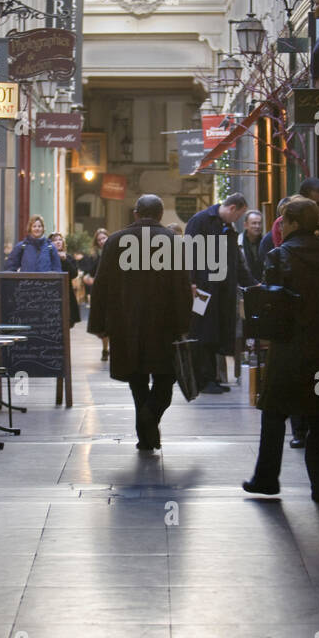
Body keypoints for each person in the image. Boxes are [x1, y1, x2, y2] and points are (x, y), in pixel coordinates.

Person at [243, 196, 319, 502]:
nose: (280, 225)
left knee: (273, 413)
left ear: (295, 223)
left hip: (287, 349)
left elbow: (272, 307)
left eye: (284, 220)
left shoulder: (277, 256)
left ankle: (267, 478)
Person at [87, 195, 192, 451]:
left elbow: (100, 286)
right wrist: (185, 323)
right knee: (165, 380)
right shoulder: (172, 242)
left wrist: (99, 323)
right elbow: (181, 287)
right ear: (160, 215)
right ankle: (148, 424)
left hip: (125, 323)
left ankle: (145, 431)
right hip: (163, 325)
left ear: (136, 213)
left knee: (137, 380)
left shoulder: (114, 241)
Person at [185, 192, 249, 393]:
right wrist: (191, 283)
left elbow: (235, 261)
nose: (238, 219)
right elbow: (189, 253)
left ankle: (211, 377)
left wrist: (252, 283)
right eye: (238, 215)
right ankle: (202, 380)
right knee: (202, 332)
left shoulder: (227, 226)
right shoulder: (200, 221)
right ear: (232, 208)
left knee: (214, 333)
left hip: (221, 292)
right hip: (202, 289)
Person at [81, 228, 110, 359]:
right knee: (103, 323)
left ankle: (112, 349)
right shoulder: (95, 256)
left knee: (114, 322)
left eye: (104, 238)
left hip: (114, 292)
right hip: (100, 293)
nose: (102, 241)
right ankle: (105, 349)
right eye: (99, 240)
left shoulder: (115, 252)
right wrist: (87, 278)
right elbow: (89, 273)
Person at [49, 232, 80, 328]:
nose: (58, 242)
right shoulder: (47, 257)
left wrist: (65, 260)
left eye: (60, 239)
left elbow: (74, 273)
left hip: (67, 294)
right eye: (54, 240)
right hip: (50, 295)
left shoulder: (68, 257)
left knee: (66, 326)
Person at [240, 210, 265, 284]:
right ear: (245, 225)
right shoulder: (237, 243)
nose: (257, 226)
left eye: (259, 223)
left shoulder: (266, 243)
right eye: (254, 223)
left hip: (262, 286)